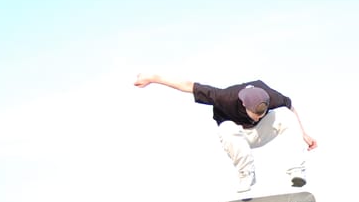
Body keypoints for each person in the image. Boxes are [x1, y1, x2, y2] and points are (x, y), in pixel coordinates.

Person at [133, 74, 317, 192]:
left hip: (262, 133)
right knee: (226, 128)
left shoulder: (271, 96)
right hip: (238, 137)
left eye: (261, 114)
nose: (256, 117)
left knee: (284, 114)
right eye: (254, 114)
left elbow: (291, 108)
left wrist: (304, 133)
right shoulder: (224, 97)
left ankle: (296, 170)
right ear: (244, 106)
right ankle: (246, 174)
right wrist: (154, 79)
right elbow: (187, 85)